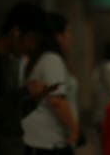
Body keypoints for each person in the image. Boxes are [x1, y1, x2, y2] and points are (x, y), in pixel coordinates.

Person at [0, 2, 54, 155]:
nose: (32, 47)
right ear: (15, 32)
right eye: (31, 40)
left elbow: (10, 116)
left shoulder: (9, 61)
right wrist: (24, 91)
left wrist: (34, 99)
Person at [21, 12, 80, 154]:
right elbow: (57, 101)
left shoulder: (40, 58)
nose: (70, 37)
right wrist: (74, 130)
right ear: (58, 36)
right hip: (47, 140)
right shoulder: (52, 60)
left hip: (39, 139)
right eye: (68, 32)